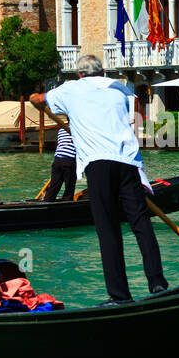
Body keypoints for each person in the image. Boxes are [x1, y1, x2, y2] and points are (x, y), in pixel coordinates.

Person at [31, 53, 168, 305]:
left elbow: (40, 100)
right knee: (141, 224)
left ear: (79, 74)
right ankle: (157, 283)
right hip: (129, 162)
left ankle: (120, 296)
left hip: (99, 163)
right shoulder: (119, 89)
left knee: (108, 230)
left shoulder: (70, 89)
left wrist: (35, 100)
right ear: (103, 73)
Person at [41, 126, 77, 201]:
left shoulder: (61, 130)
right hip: (69, 160)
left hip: (57, 161)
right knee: (69, 187)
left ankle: (47, 201)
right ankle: (67, 204)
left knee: (54, 186)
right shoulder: (77, 129)